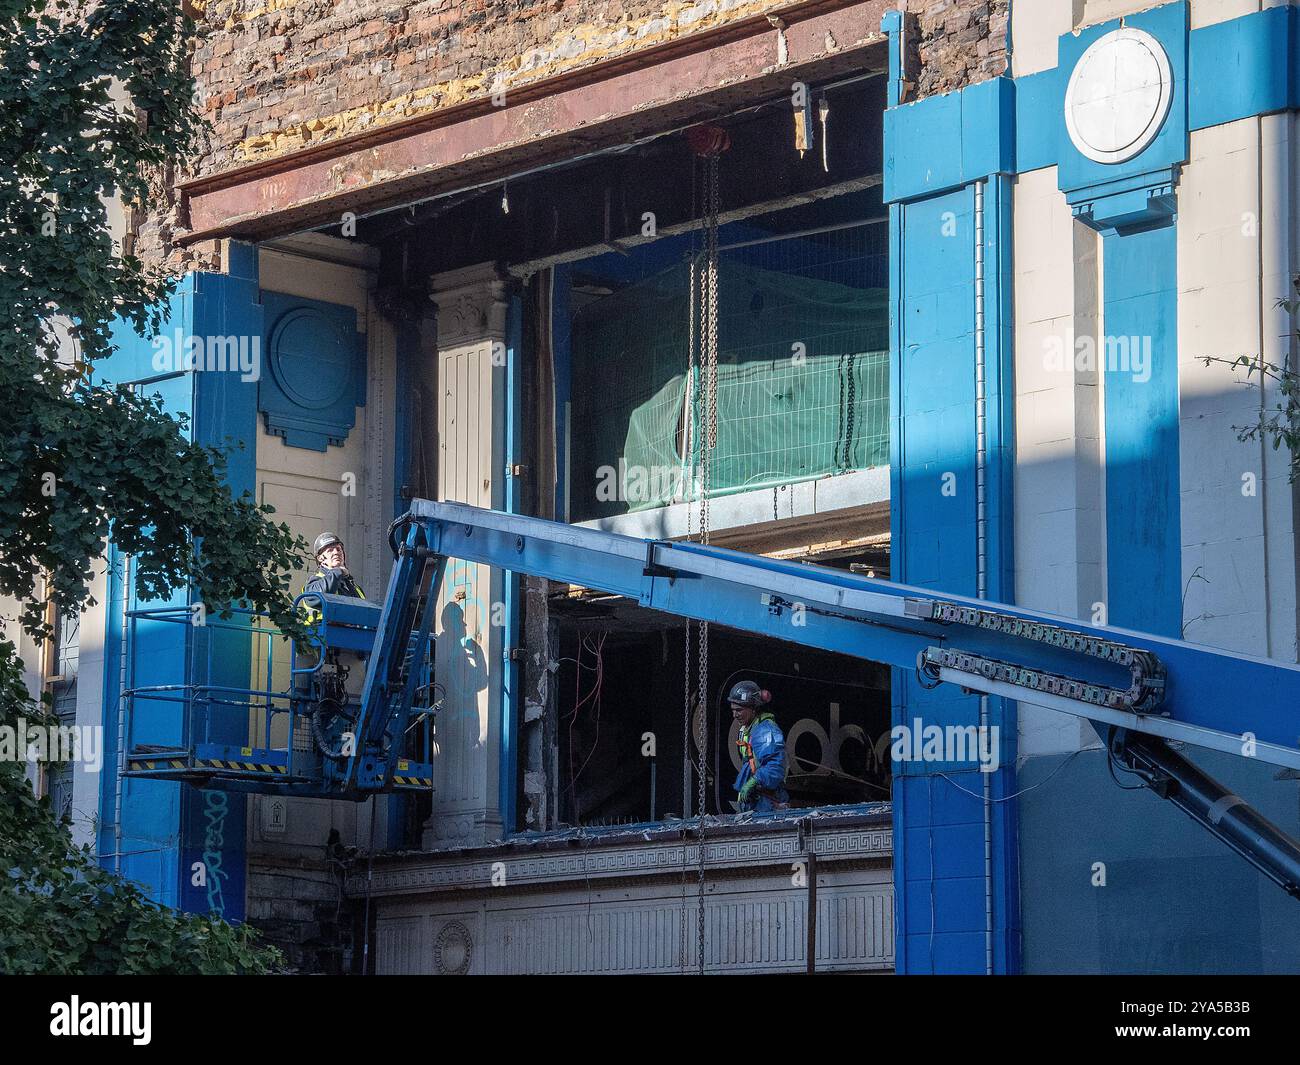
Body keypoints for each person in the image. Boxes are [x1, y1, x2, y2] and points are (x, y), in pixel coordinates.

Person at [730, 680, 789, 812]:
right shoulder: (750, 729)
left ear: (753, 708)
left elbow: (775, 767)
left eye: (739, 710)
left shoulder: (765, 730)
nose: (735, 715)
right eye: (733, 710)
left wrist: (753, 781)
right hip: (757, 801)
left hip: (768, 802)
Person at [304, 532, 365, 601]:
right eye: (330, 550)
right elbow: (314, 597)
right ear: (320, 558)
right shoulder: (314, 583)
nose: (336, 552)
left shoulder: (354, 586)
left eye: (339, 549)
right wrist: (338, 571)